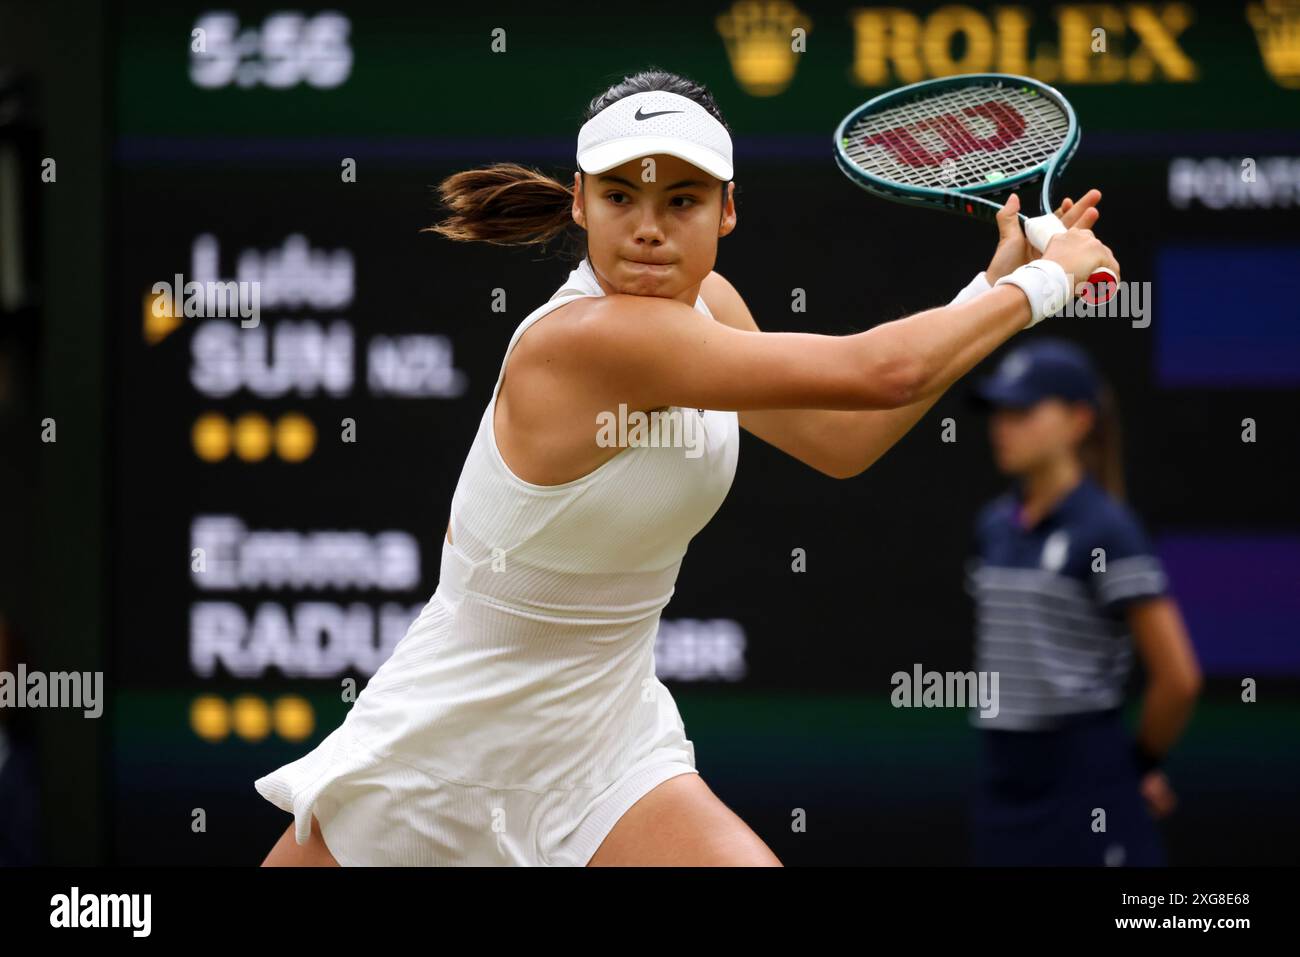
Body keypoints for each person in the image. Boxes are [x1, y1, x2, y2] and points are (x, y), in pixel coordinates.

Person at [255, 67, 1119, 866]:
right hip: (444, 747)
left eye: (682, 198)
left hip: (605, 744)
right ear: (582, 205)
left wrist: (989, 293)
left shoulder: (709, 306)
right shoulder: (589, 341)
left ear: (727, 211)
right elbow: (879, 370)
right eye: (622, 195)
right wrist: (1040, 287)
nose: (650, 226)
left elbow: (842, 437)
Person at [965, 339, 1202, 866]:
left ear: (1078, 421)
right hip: (1000, 782)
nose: (1003, 424)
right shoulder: (992, 528)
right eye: (999, 410)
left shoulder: (1108, 530)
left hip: (1083, 780)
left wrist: (1134, 768)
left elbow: (1179, 679)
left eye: (1023, 410)